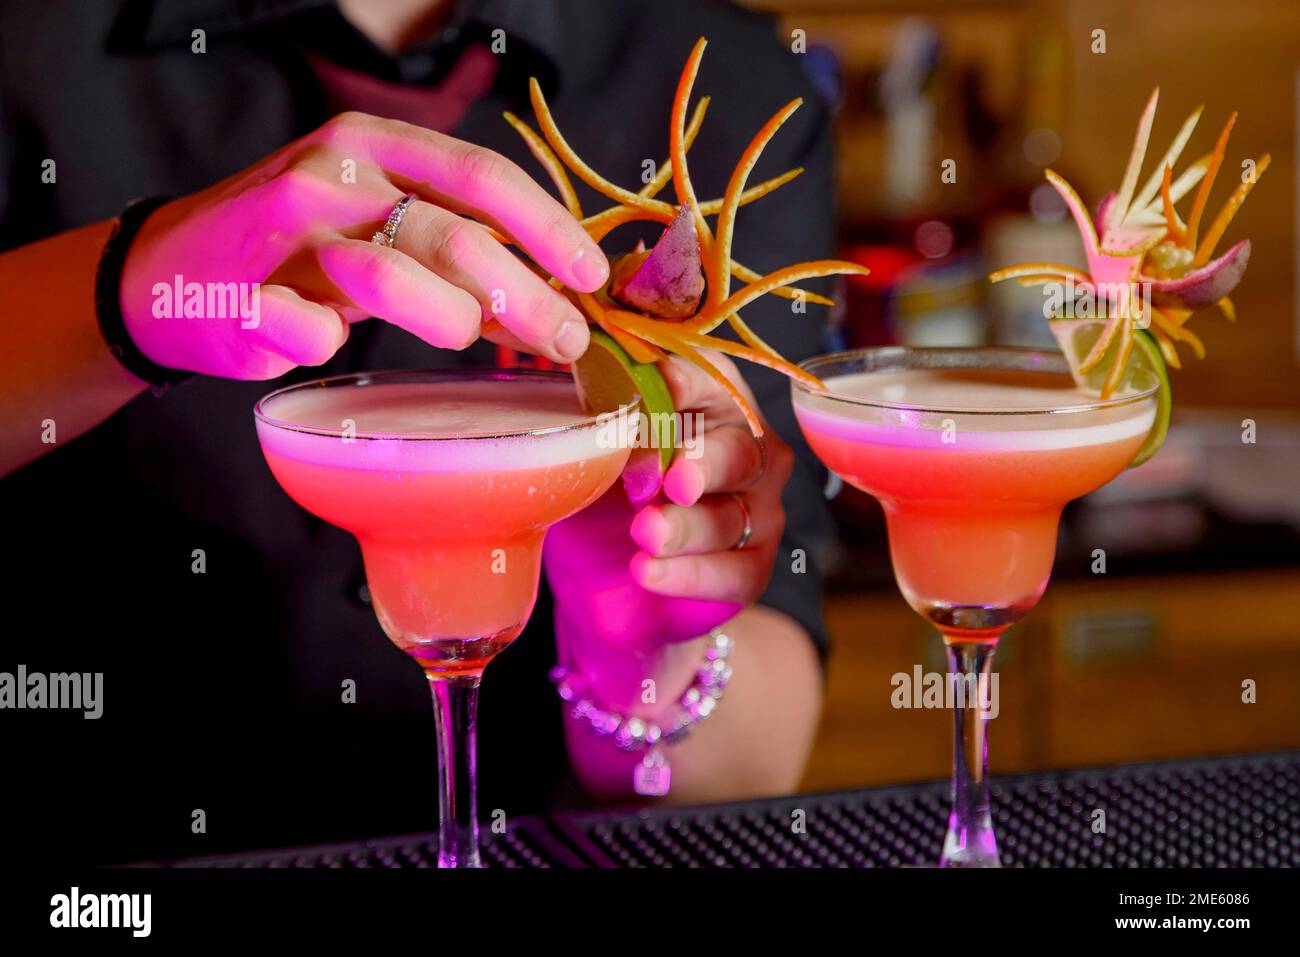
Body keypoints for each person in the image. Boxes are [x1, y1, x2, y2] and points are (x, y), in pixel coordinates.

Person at [0, 0, 836, 864]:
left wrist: (641, 656)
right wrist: (129, 290)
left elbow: (745, 777)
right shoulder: (36, 42)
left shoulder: (724, 77)